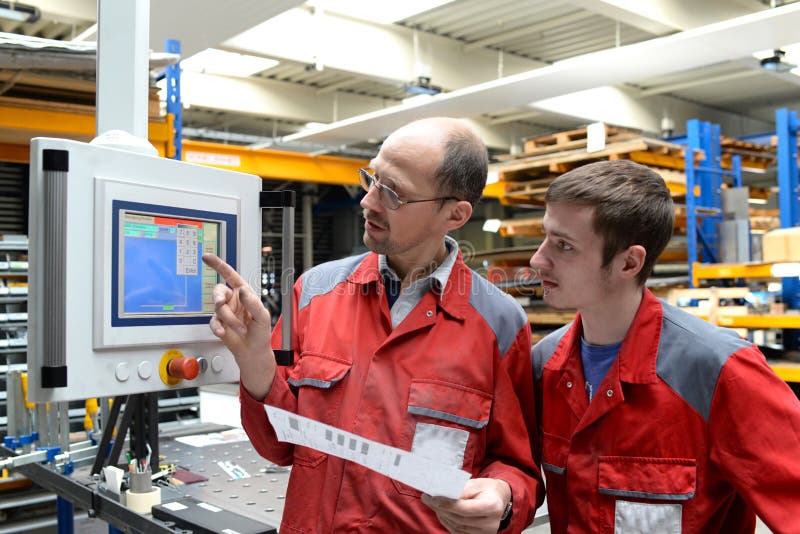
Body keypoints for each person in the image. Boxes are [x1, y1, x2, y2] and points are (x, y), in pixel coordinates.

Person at [203, 117, 544, 533]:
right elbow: (279, 447)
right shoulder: (315, 292)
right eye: (372, 178)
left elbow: (518, 467)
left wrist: (503, 496)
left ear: (455, 214)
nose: (368, 201)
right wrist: (256, 360)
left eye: (393, 193)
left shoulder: (500, 324)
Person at [529, 159, 800, 533]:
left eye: (564, 246)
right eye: (545, 236)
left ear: (629, 263)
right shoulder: (545, 365)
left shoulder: (719, 373)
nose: (538, 259)